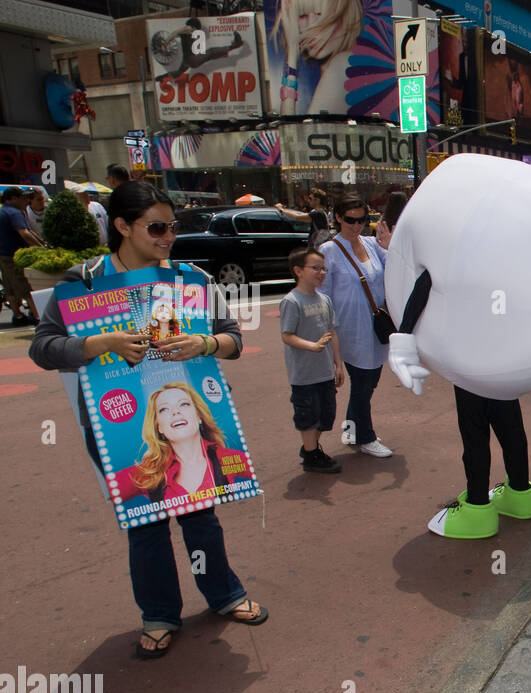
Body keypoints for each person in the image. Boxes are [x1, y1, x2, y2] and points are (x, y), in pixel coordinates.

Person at [28, 180, 266, 657]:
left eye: (172, 226)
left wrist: (205, 344)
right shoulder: (84, 283)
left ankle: (223, 594)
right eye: (156, 227)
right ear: (122, 226)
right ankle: (159, 613)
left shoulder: (189, 279)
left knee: (201, 515)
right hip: (118, 427)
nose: (168, 236)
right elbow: (43, 348)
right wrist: (98, 344)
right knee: (146, 522)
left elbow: (232, 337)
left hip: (188, 416)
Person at [320, 194, 390, 457]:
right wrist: (328, 331)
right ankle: (366, 436)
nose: (357, 225)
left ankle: (352, 432)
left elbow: (393, 264)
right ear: (338, 217)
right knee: (363, 383)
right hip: (347, 328)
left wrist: (390, 244)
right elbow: (323, 295)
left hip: (373, 325)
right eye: (351, 220)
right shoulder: (329, 250)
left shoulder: (371, 244)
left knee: (368, 382)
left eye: (363, 220)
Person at [113, 382, 255, 505]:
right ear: (158, 427)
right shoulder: (148, 471)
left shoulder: (226, 458)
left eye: (184, 404)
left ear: (199, 416)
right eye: (164, 409)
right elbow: (111, 490)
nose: (175, 412)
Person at [281, 247, 344, 473]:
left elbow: (332, 331)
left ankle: (310, 447)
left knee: (326, 415)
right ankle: (311, 454)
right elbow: (287, 336)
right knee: (308, 415)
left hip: (325, 370)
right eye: (315, 268)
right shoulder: (292, 301)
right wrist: (313, 346)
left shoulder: (325, 299)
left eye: (323, 268)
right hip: (304, 374)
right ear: (298, 271)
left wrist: (338, 364)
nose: (321, 273)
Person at [272, 0, 362, 115]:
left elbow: (293, 130)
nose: (310, 27)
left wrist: (292, 55)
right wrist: (292, 50)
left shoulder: (343, 65)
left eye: (319, 14)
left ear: (345, 15)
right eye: (302, 16)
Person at [156, 16, 245, 81]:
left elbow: (175, 34)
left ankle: (163, 77)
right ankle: (236, 44)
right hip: (193, 60)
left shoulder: (187, 32)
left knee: (179, 72)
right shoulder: (188, 28)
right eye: (196, 29)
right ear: (193, 26)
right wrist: (165, 43)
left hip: (186, 61)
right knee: (211, 52)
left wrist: (167, 42)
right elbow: (175, 32)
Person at [0, 187, 41, 324]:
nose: (26, 200)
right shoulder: (14, 213)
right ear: (12, 199)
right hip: (15, 256)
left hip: (4, 255)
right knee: (26, 286)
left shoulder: (3, 211)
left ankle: (17, 315)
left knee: (10, 286)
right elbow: (25, 233)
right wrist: (41, 248)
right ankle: (38, 317)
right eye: (22, 197)